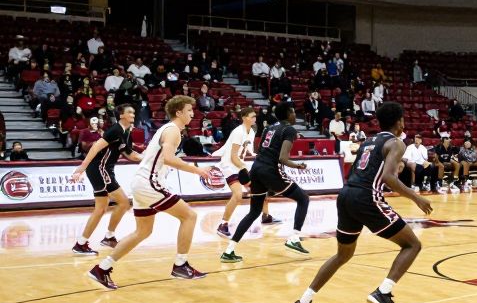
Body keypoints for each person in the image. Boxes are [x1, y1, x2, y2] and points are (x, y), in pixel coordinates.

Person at [289, 102, 433, 303]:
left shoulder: (369, 141)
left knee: (342, 255)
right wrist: (416, 197)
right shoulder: (396, 143)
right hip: (366, 198)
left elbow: (368, 170)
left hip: (346, 195)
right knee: (413, 244)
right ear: (400, 122)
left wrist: (394, 168)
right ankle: (383, 293)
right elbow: (387, 178)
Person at [85, 96, 212, 289]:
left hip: (141, 183)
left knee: (143, 231)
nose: (192, 114)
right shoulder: (173, 131)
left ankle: (101, 269)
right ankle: (181, 264)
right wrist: (197, 170)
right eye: (188, 110)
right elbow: (168, 158)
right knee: (189, 216)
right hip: (149, 183)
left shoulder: (165, 129)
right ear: (178, 112)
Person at [220, 103, 311, 262]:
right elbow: (283, 158)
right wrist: (298, 166)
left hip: (256, 169)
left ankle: (229, 251)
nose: (295, 115)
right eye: (294, 112)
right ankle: (294, 238)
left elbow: (262, 150)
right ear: (288, 114)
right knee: (303, 198)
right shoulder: (289, 129)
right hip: (270, 170)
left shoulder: (269, 128)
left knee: (254, 212)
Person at [70, 104, 142, 254]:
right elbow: (96, 147)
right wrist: (81, 169)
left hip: (104, 170)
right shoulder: (115, 130)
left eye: (133, 112)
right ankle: (108, 237)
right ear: (121, 115)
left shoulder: (126, 132)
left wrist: (148, 157)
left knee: (101, 208)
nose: (133, 114)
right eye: (129, 112)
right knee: (123, 202)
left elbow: (130, 154)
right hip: (99, 168)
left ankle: (82, 243)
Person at [215, 107, 258, 238]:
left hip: (239, 165)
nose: (255, 118)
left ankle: (266, 216)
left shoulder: (252, 131)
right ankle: (223, 224)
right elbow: (233, 156)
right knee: (238, 194)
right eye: (252, 116)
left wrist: (257, 155)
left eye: (255, 116)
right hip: (229, 165)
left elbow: (248, 149)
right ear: (244, 118)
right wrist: (244, 168)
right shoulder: (238, 132)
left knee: (259, 189)